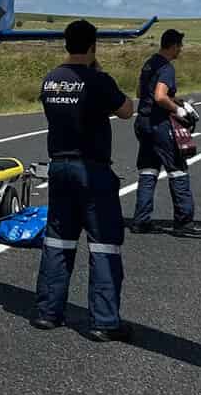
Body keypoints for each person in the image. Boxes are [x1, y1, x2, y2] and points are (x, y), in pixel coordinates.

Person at [32, 19, 138, 340]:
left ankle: (48, 312)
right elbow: (126, 110)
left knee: (58, 239)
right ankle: (104, 321)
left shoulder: (51, 81)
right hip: (91, 168)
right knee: (104, 242)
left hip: (58, 166)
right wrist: (99, 75)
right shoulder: (99, 81)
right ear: (93, 46)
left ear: (66, 45)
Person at [132, 28, 201, 236]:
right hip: (159, 124)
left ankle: (141, 220)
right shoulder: (166, 67)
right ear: (173, 46)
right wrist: (178, 109)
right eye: (179, 46)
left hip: (143, 122)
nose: (180, 50)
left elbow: (140, 92)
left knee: (148, 170)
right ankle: (184, 222)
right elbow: (160, 96)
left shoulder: (149, 63)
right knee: (177, 169)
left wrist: (175, 100)